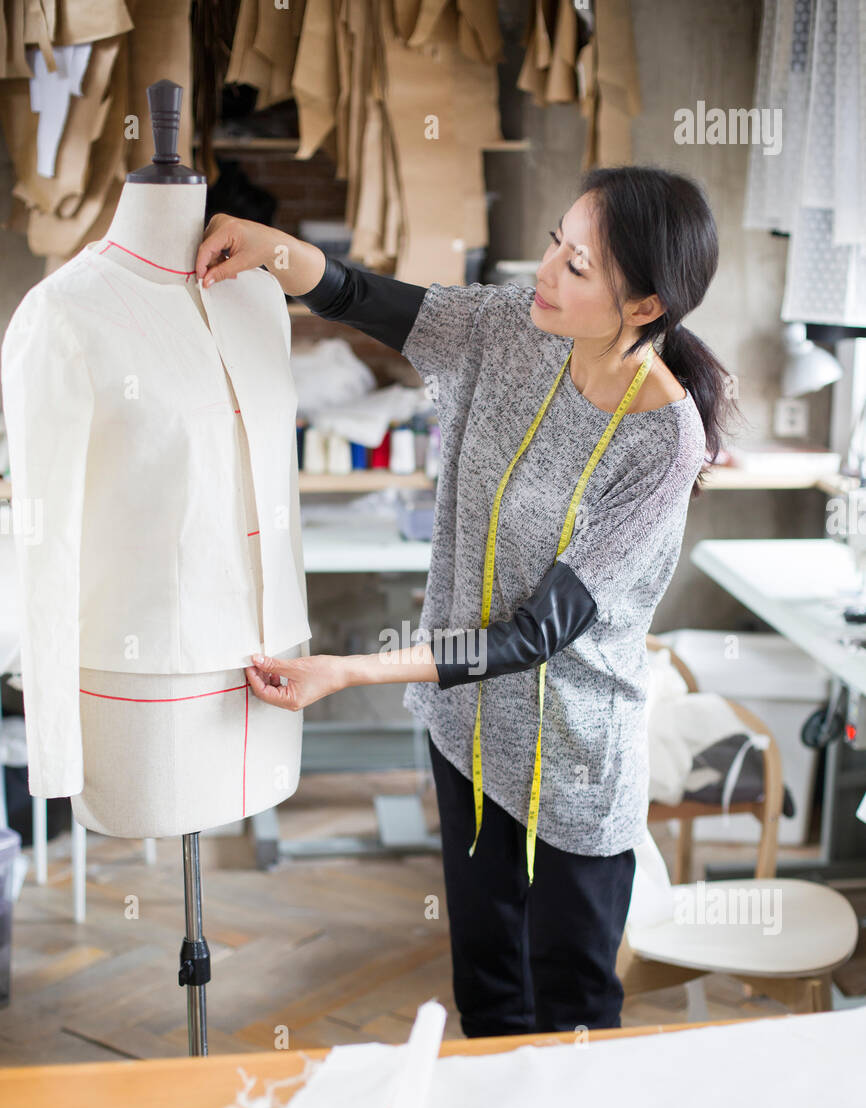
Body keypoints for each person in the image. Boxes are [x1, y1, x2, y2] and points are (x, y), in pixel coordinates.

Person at [194, 164, 736, 1039]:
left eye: (577, 265)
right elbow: (366, 297)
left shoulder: (663, 443)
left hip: (572, 768)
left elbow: (534, 635)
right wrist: (273, 251)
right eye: (556, 242)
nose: (545, 272)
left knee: (573, 1011)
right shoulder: (512, 331)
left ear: (643, 307)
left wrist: (347, 670)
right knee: (487, 992)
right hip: (467, 739)